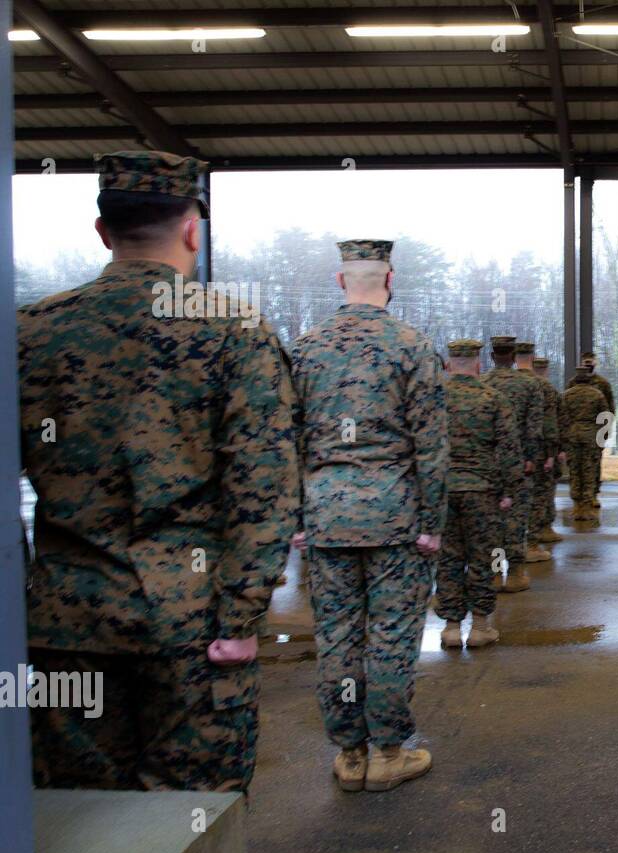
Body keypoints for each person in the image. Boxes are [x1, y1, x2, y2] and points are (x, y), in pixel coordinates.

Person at [20, 150, 300, 792]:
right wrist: (241, 618)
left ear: (102, 231)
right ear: (192, 229)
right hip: (193, 627)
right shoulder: (234, 331)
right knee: (191, 817)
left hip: (68, 624)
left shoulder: (29, 333)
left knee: (77, 817)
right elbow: (265, 486)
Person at [292, 239, 447, 793]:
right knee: (391, 633)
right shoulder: (413, 346)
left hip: (327, 515)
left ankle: (350, 754)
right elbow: (431, 445)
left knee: (336, 635)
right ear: (390, 278)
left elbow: (286, 439)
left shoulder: (306, 349)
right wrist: (433, 522)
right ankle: (387, 753)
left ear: (340, 281)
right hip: (395, 515)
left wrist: (296, 516)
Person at [438, 340, 522, 650]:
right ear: (477, 364)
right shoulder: (494, 399)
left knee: (447, 559)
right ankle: (480, 626)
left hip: (444, 490)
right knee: (481, 557)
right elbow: (509, 449)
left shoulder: (435, 399)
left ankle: (449, 628)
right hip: (482, 490)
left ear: (449, 365)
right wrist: (509, 490)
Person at [483, 336, 545, 592]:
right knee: (517, 517)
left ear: (492, 356)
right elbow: (534, 428)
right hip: (518, 461)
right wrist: (531, 458)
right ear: (513, 356)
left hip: (487, 464)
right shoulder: (530, 385)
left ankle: (495, 574)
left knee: (491, 518)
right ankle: (517, 573)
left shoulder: (482, 384)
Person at [514, 342, 557, 561]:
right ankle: (531, 544)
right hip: (535, 450)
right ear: (532, 358)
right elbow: (548, 423)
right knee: (536, 495)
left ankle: (506, 549)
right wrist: (551, 452)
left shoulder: (496, 382)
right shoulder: (542, 386)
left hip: (507, 452)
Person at [562, 366, 611, 521]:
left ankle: (577, 508)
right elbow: (605, 418)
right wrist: (603, 438)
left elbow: (561, 418)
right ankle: (588, 506)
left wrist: (563, 439)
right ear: (589, 380)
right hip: (591, 435)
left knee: (575, 471)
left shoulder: (566, 395)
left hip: (572, 435)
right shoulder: (597, 395)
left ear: (575, 379)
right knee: (589, 471)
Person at [567, 352, 614, 506]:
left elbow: (609, 410)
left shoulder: (603, 383)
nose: (588, 365)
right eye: (585, 363)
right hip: (576, 432)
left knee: (594, 463)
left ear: (594, 363)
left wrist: (605, 433)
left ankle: (593, 494)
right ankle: (579, 495)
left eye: (590, 362)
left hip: (595, 430)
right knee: (575, 465)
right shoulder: (572, 383)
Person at [529, 356, 563, 544]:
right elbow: (554, 422)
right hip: (542, 448)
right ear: (546, 370)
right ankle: (542, 529)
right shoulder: (549, 390)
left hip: (516, 449)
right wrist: (554, 452)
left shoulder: (520, 384)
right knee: (544, 491)